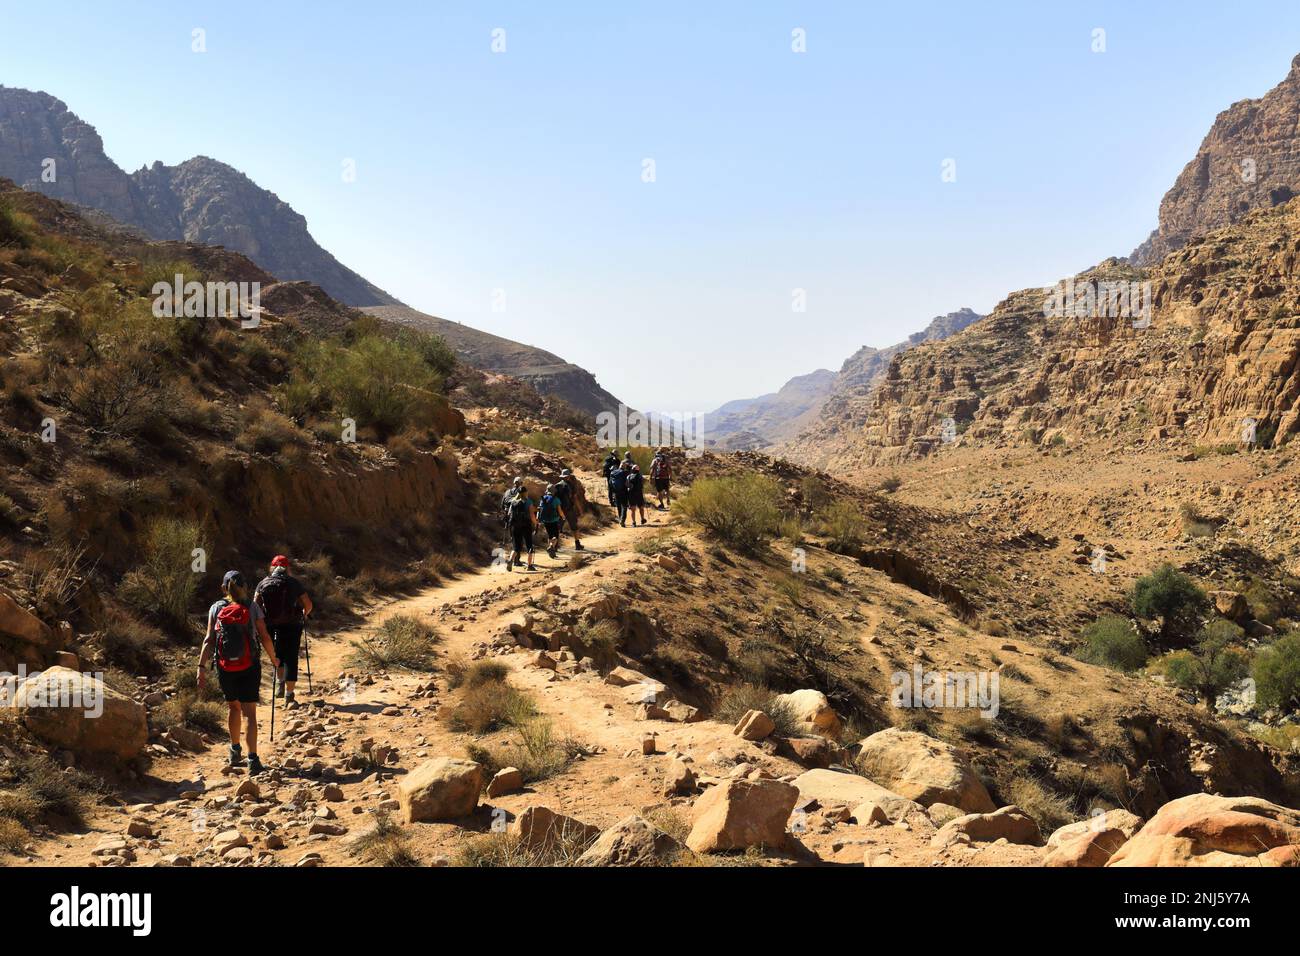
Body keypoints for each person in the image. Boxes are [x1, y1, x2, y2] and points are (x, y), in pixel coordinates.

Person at [197, 570, 281, 775]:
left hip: (225, 666)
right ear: (245, 587)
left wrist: (201, 668)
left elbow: (209, 639)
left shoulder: (216, 607)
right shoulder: (252, 607)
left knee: (233, 708)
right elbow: (264, 636)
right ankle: (253, 759)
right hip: (249, 665)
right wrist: (274, 659)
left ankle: (235, 751)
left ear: (223, 588)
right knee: (249, 713)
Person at [254, 555, 313, 707]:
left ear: (272, 567)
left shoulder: (263, 583)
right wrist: (304, 614)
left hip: (271, 624)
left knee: (277, 654)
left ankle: (280, 684)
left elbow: (255, 606)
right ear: (288, 568)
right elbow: (308, 604)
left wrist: (262, 622)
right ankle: (289, 695)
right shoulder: (294, 583)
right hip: (293, 624)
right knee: (291, 657)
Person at [506, 486, 537, 571]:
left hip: (515, 526)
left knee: (516, 547)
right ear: (526, 492)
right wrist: (536, 523)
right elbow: (532, 515)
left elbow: (509, 514)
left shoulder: (513, 502)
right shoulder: (529, 501)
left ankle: (510, 560)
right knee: (529, 545)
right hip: (526, 526)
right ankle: (529, 566)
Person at [556, 468, 585, 550]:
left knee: (557, 528)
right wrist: (580, 509)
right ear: (568, 476)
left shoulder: (557, 485)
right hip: (569, 509)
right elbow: (575, 499)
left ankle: (555, 546)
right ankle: (577, 544)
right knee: (574, 527)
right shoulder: (571, 485)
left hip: (560, 510)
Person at [538, 484, 566, 558]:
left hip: (545, 520)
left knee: (550, 536)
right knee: (555, 536)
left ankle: (552, 553)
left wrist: (539, 519)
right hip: (554, 520)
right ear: (554, 491)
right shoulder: (556, 499)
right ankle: (551, 546)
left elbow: (540, 509)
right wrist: (563, 517)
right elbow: (560, 511)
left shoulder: (543, 498)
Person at [608, 459, 631, 526]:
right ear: (624, 466)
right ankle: (622, 520)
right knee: (624, 506)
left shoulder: (613, 472)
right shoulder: (625, 473)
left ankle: (620, 518)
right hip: (624, 491)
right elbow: (627, 483)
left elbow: (610, 483)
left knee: (618, 506)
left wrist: (612, 491)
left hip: (616, 492)